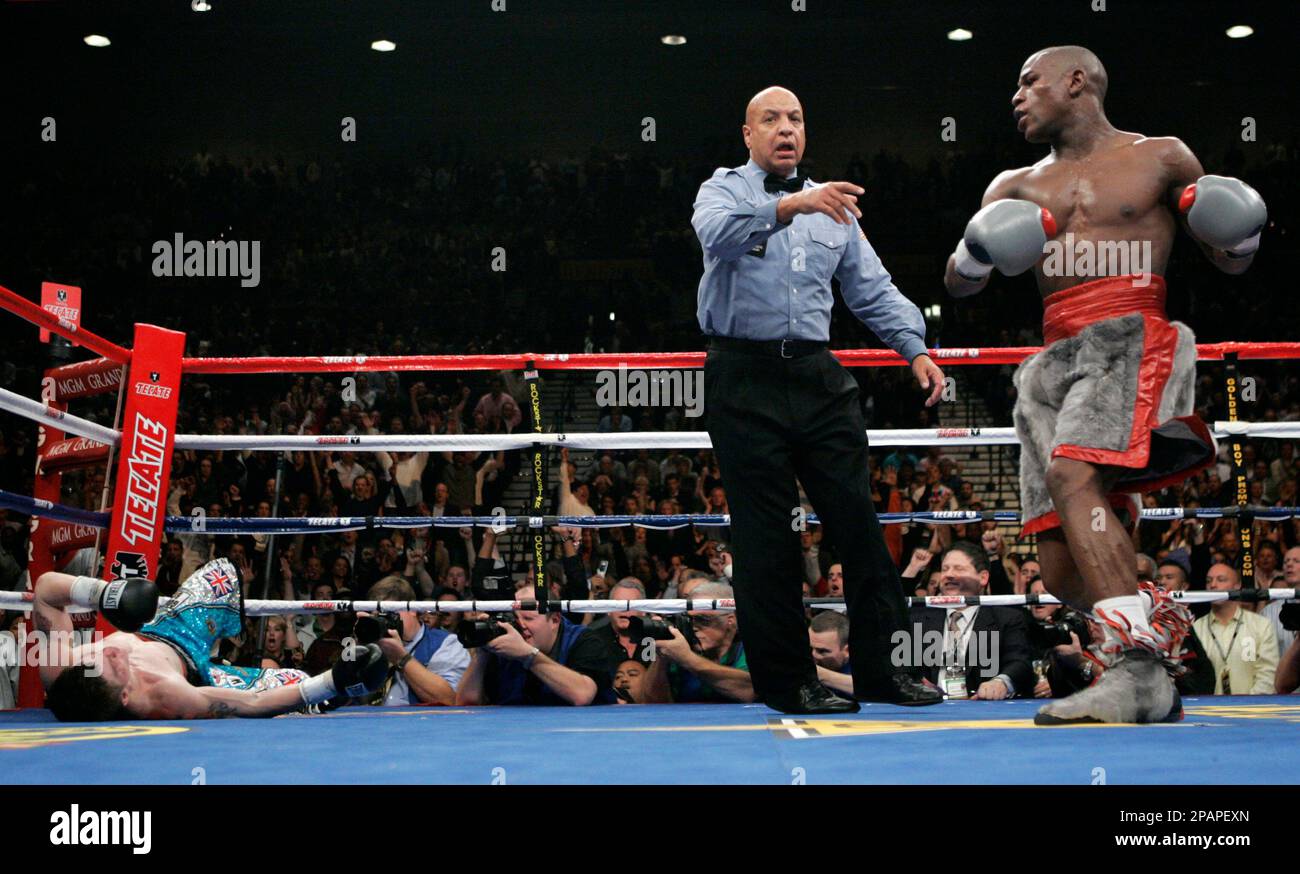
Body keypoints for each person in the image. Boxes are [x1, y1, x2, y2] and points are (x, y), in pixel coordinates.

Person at [945, 46, 1265, 724]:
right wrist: (974, 255)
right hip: (1050, 359)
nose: (1017, 96)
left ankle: (1137, 671)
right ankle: (1153, 651)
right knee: (1059, 565)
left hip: (1129, 333)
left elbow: (1228, 254)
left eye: (1029, 81)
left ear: (1077, 81)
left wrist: (1238, 240)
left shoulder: (1162, 156)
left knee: (1072, 476)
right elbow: (958, 283)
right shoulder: (1013, 185)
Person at [693, 85, 944, 714]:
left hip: (817, 376)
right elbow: (717, 236)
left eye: (796, 119)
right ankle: (788, 683)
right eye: (771, 120)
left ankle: (884, 673)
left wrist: (914, 348)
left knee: (860, 529)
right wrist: (795, 205)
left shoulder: (835, 211)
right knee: (768, 539)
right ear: (747, 134)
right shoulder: (722, 190)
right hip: (742, 375)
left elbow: (871, 289)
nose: (786, 129)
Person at [35, 559, 388, 720]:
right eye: (114, 664)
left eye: (95, 656)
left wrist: (103, 593)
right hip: (194, 672)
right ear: (125, 695)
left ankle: (218, 641)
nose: (110, 649)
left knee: (220, 572)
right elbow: (249, 705)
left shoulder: (58, 672)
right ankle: (323, 690)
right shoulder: (163, 694)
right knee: (299, 686)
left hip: (166, 630)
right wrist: (330, 683)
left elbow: (45, 590)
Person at [455, 582, 615, 706]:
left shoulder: (585, 640)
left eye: (528, 618)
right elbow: (466, 703)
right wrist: (482, 654)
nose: (520, 625)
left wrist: (528, 655)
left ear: (554, 620)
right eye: (515, 618)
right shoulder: (505, 644)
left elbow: (582, 694)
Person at [909, 543, 1034, 699]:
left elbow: (1019, 662)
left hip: (982, 709)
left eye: (958, 569)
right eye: (945, 569)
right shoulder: (921, 618)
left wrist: (1000, 682)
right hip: (929, 709)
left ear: (983, 578)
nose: (949, 574)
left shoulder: (1007, 618)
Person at [364, 576, 469, 706]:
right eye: (377, 616)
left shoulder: (446, 643)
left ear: (412, 610)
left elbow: (449, 699)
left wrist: (401, 658)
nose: (384, 621)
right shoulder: (372, 643)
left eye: (390, 614)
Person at [1192, 564, 1279, 695]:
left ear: (1237, 586)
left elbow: (1268, 674)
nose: (1213, 585)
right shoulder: (1196, 629)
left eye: (1221, 580)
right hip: (1206, 710)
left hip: (1253, 709)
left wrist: (1249, 707)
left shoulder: (1261, 625)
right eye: (1209, 581)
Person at [808, 611, 853, 697]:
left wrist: (822, 675)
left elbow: (877, 689)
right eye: (809, 648)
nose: (813, 655)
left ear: (847, 651)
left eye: (822, 651)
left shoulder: (868, 663)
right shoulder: (799, 660)